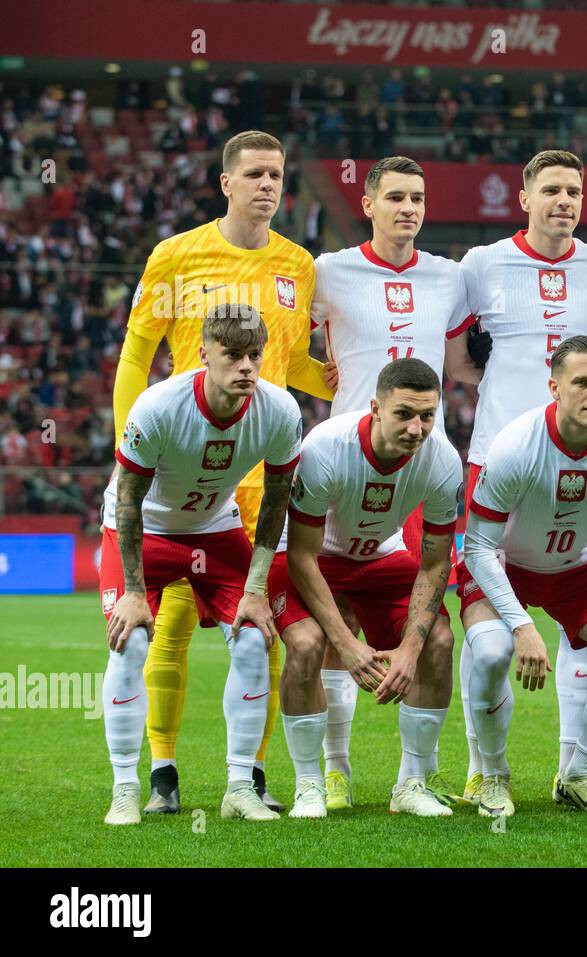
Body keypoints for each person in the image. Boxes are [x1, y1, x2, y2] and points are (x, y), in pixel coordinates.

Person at [113, 130, 332, 815]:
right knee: (165, 626)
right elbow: (135, 354)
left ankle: (251, 773)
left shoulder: (298, 264)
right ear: (227, 182)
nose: (270, 185)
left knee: (257, 623)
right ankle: (162, 769)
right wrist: (129, 448)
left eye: (279, 174)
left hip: (256, 471)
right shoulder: (176, 255)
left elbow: (288, 364)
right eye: (257, 174)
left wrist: (340, 379)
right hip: (179, 470)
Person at [311, 156, 482, 811]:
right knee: (340, 623)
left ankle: (414, 778)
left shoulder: (449, 277)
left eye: (418, 198)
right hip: (345, 467)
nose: (409, 208)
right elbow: (283, 342)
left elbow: (464, 364)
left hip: (424, 471)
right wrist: (315, 372)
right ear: (368, 200)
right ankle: (334, 768)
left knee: (431, 624)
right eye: (396, 197)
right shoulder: (329, 270)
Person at [100, 305, 302, 825]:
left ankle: (240, 787)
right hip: (144, 529)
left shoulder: (279, 411)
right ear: (203, 354)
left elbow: (278, 500)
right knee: (132, 640)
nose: (246, 368)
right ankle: (126, 788)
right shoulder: (159, 407)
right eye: (233, 356)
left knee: (255, 637)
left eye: (255, 356)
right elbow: (128, 501)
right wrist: (135, 592)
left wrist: (256, 587)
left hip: (216, 529)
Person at [456, 151, 587, 803]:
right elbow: (454, 355)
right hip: (496, 458)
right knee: (492, 634)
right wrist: (505, 390)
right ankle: (482, 767)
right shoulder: (482, 263)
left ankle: (572, 770)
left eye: (573, 191)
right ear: (524, 197)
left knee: (579, 623)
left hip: (580, 462)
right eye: (550, 189)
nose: (563, 200)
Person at [458, 336, 587, 818]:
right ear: (554, 387)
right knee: (491, 650)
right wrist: (522, 626)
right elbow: (478, 546)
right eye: (582, 382)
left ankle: (579, 774)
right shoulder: (514, 446)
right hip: (506, 564)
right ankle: (493, 777)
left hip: (578, 570)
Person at [270, 359, 462, 819]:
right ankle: (309, 784)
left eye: (428, 416)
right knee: (307, 644)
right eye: (404, 415)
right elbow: (301, 555)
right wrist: (347, 645)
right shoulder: (326, 447)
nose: (417, 429)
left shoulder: (442, 460)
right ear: (376, 408)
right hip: (310, 558)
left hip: (379, 556)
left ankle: (411, 784)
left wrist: (409, 651)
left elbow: (436, 563)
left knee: (438, 640)